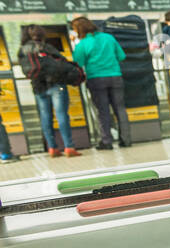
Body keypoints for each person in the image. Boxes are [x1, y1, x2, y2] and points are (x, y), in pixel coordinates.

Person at [71, 15, 130, 150]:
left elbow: (78, 63)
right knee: (120, 109)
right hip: (115, 76)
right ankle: (126, 140)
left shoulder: (83, 44)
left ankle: (106, 141)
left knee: (103, 111)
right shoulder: (108, 38)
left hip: (96, 79)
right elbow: (121, 56)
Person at [19, 25, 78, 158]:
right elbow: (62, 64)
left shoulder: (22, 50)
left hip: (39, 87)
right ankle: (69, 147)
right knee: (62, 115)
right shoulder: (47, 47)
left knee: (46, 117)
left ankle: (52, 148)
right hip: (56, 85)